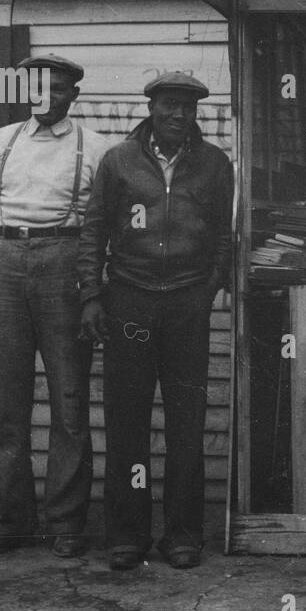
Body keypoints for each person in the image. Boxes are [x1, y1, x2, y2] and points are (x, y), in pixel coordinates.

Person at [0, 56, 107, 557]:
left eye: (59, 88)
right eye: (39, 86)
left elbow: (102, 231)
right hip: (2, 263)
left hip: (65, 262)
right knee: (3, 403)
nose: (47, 96)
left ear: (74, 95)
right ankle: (12, 518)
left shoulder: (96, 147)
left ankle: (66, 521)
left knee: (69, 400)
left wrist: (93, 291)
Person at [77, 72, 233, 571]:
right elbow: (93, 230)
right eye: (169, 105)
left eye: (187, 107)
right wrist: (91, 295)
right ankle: (127, 535)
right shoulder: (119, 160)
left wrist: (210, 286)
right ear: (151, 107)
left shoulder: (214, 163)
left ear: (195, 113)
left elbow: (224, 235)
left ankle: (182, 535)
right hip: (130, 301)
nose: (178, 115)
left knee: (187, 422)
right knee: (127, 421)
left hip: (187, 303)